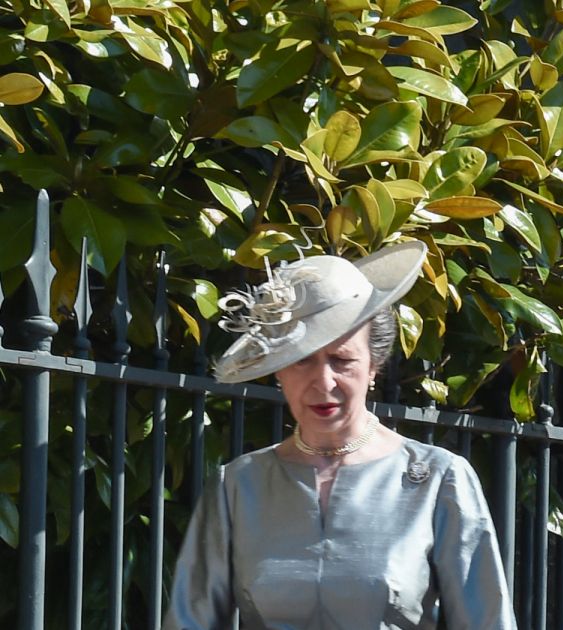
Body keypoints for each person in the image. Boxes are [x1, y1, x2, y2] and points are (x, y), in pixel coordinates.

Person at [165, 241, 517, 629]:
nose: (324, 381)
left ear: (373, 367)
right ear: (279, 370)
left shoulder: (439, 479)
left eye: (342, 360)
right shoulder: (238, 485)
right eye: (302, 361)